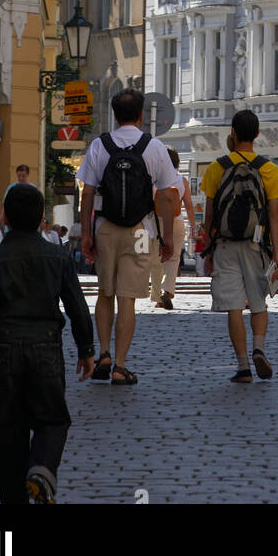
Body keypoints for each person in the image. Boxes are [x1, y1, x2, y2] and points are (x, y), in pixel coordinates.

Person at [0, 183, 95, 504]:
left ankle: (13, 500)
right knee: (53, 419)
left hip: (2, 355)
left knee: (7, 431)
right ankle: (42, 469)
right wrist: (87, 349)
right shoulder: (58, 256)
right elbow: (76, 307)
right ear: (40, 219)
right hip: (46, 349)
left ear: (7, 218)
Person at [77, 88, 180, 385]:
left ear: (114, 114)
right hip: (140, 229)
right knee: (128, 299)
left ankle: (104, 353)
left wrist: (86, 233)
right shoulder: (154, 147)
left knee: (104, 293)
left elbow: (88, 193)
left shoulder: (100, 145)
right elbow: (167, 195)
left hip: (106, 228)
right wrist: (167, 237)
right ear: (140, 115)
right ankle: (121, 366)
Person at [201, 109, 278, 382]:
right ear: (258, 135)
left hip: (225, 245)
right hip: (256, 244)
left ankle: (243, 366)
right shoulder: (268, 169)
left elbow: (210, 215)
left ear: (233, 134)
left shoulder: (217, 167)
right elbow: (273, 215)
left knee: (234, 306)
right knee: (258, 303)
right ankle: (259, 347)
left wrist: (209, 246)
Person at [151, 147, 196, 309]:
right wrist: (193, 226)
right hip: (177, 221)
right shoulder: (181, 180)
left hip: (157, 222)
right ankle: (167, 291)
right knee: (174, 257)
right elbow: (189, 206)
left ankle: (157, 296)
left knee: (157, 258)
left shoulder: (154, 180)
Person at [0, 165, 35, 232]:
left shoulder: (33, 189)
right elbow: (5, 206)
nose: (21, 178)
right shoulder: (11, 188)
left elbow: (37, 207)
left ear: (28, 175)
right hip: (11, 225)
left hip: (28, 226)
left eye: (23, 176)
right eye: (19, 176)